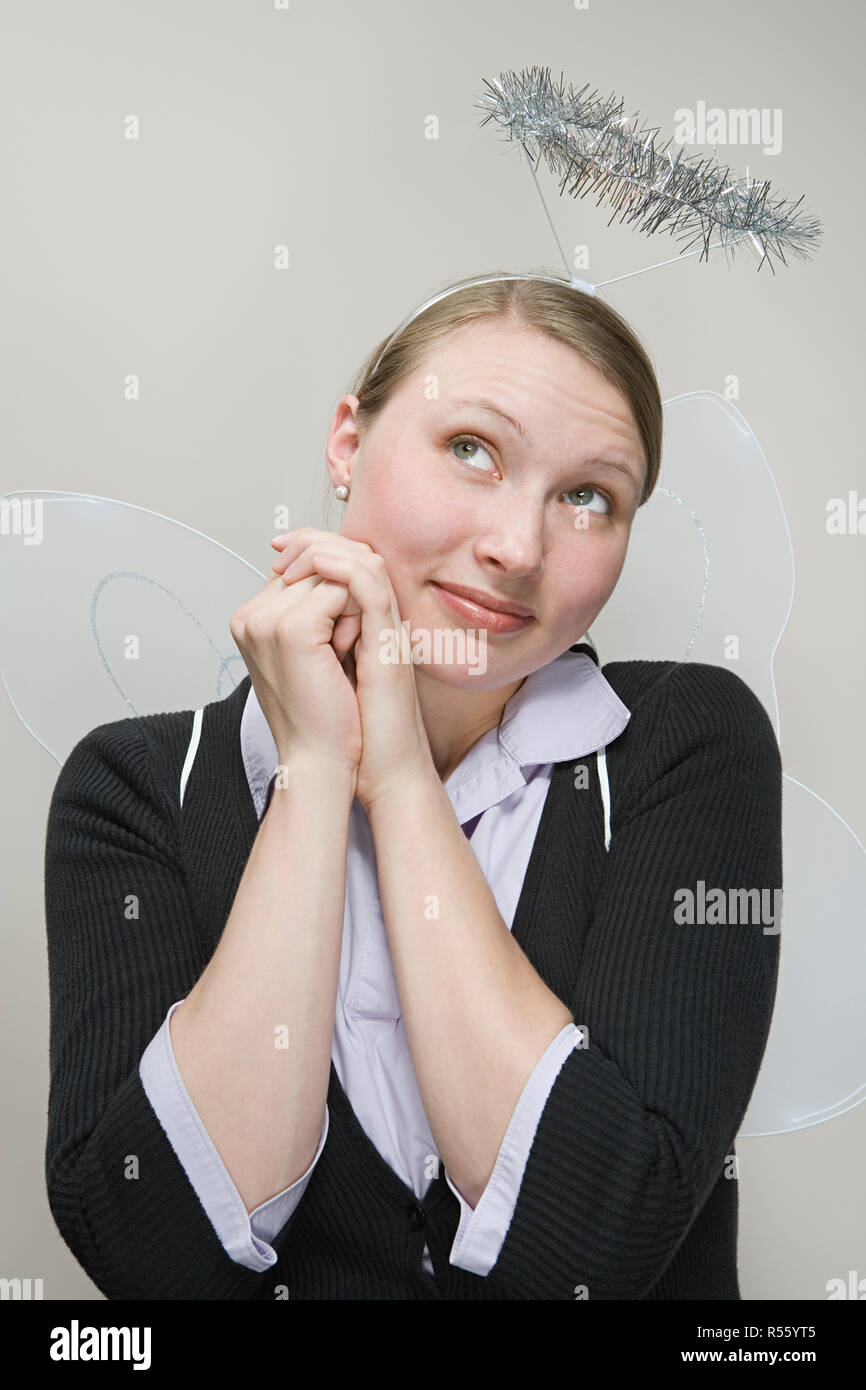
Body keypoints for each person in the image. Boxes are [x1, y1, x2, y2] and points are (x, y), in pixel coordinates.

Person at [44, 274, 782, 1299]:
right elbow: (151, 1252)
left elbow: (599, 1247)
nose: (517, 549)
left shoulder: (684, 744)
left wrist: (396, 779)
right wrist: (309, 773)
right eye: (471, 448)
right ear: (347, 441)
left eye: (587, 497)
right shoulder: (135, 786)